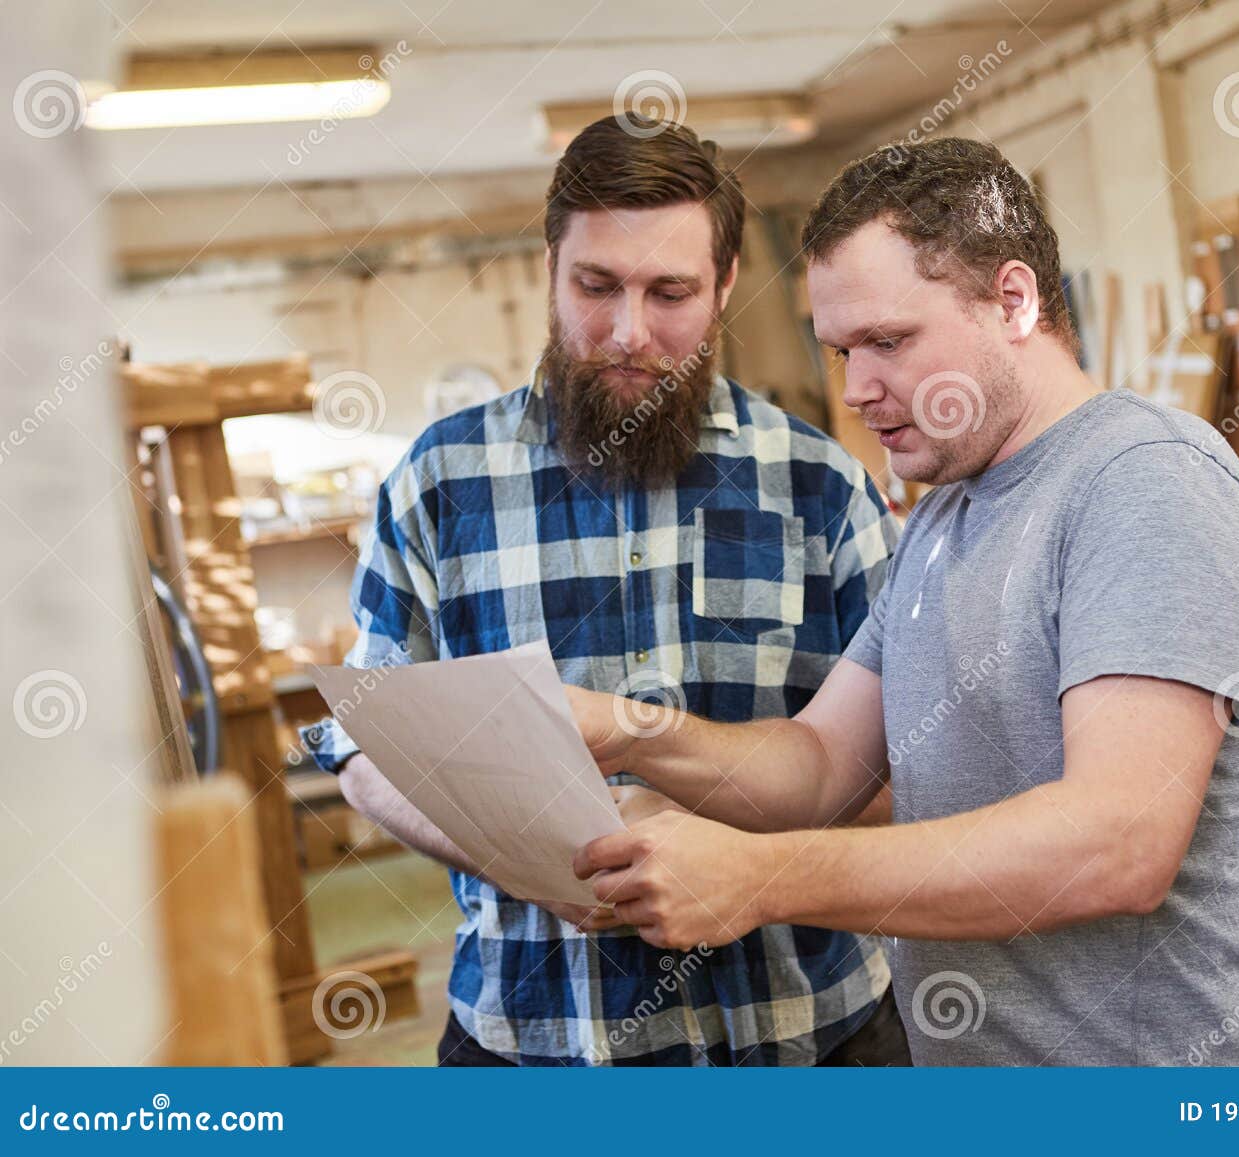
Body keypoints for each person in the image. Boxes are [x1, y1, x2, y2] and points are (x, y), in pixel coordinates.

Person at [567, 137, 1239, 1066]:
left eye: (889, 342)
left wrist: (763, 877)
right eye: (840, 350)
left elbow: (1117, 840)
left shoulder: (1145, 483)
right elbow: (823, 764)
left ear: (1014, 301)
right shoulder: (945, 514)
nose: (857, 389)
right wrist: (626, 733)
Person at [303, 114, 910, 1066]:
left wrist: (733, 849)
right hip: (533, 1042)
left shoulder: (819, 486)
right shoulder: (438, 484)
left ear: (725, 289)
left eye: (671, 292)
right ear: (548, 267)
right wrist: (529, 859)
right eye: (597, 286)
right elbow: (370, 736)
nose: (630, 332)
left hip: (808, 1035)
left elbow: (896, 772)